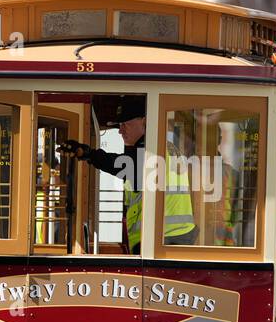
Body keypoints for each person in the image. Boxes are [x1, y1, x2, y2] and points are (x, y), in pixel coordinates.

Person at [59, 97, 196, 252]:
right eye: (119, 125)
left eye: (125, 124)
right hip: (171, 237)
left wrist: (87, 153)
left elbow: (122, 165)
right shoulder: (165, 146)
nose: (120, 130)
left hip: (164, 240)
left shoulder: (149, 150)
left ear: (144, 122)